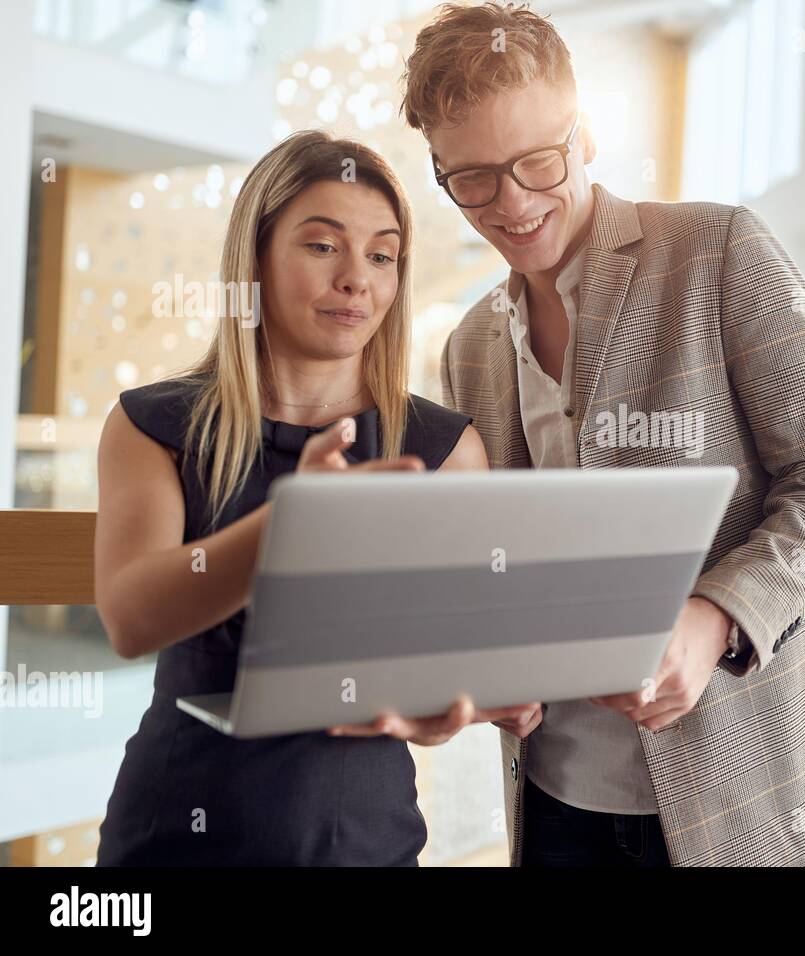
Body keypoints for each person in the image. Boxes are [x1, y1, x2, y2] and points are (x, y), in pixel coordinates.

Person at [404, 1, 805, 866]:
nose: (513, 203)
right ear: (441, 173)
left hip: (745, 788)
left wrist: (715, 618)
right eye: (475, 179)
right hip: (553, 798)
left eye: (537, 161)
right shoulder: (471, 347)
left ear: (586, 133)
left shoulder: (719, 250)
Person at [94, 130, 540, 866]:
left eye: (381, 255)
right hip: (170, 838)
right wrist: (292, 526)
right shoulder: (154, 426)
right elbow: (132, 619)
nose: (356, 280)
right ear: (257, 259)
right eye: (323, 246)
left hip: (364, 839)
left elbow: (447, 671)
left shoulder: (443, 450)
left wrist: (449, 707)